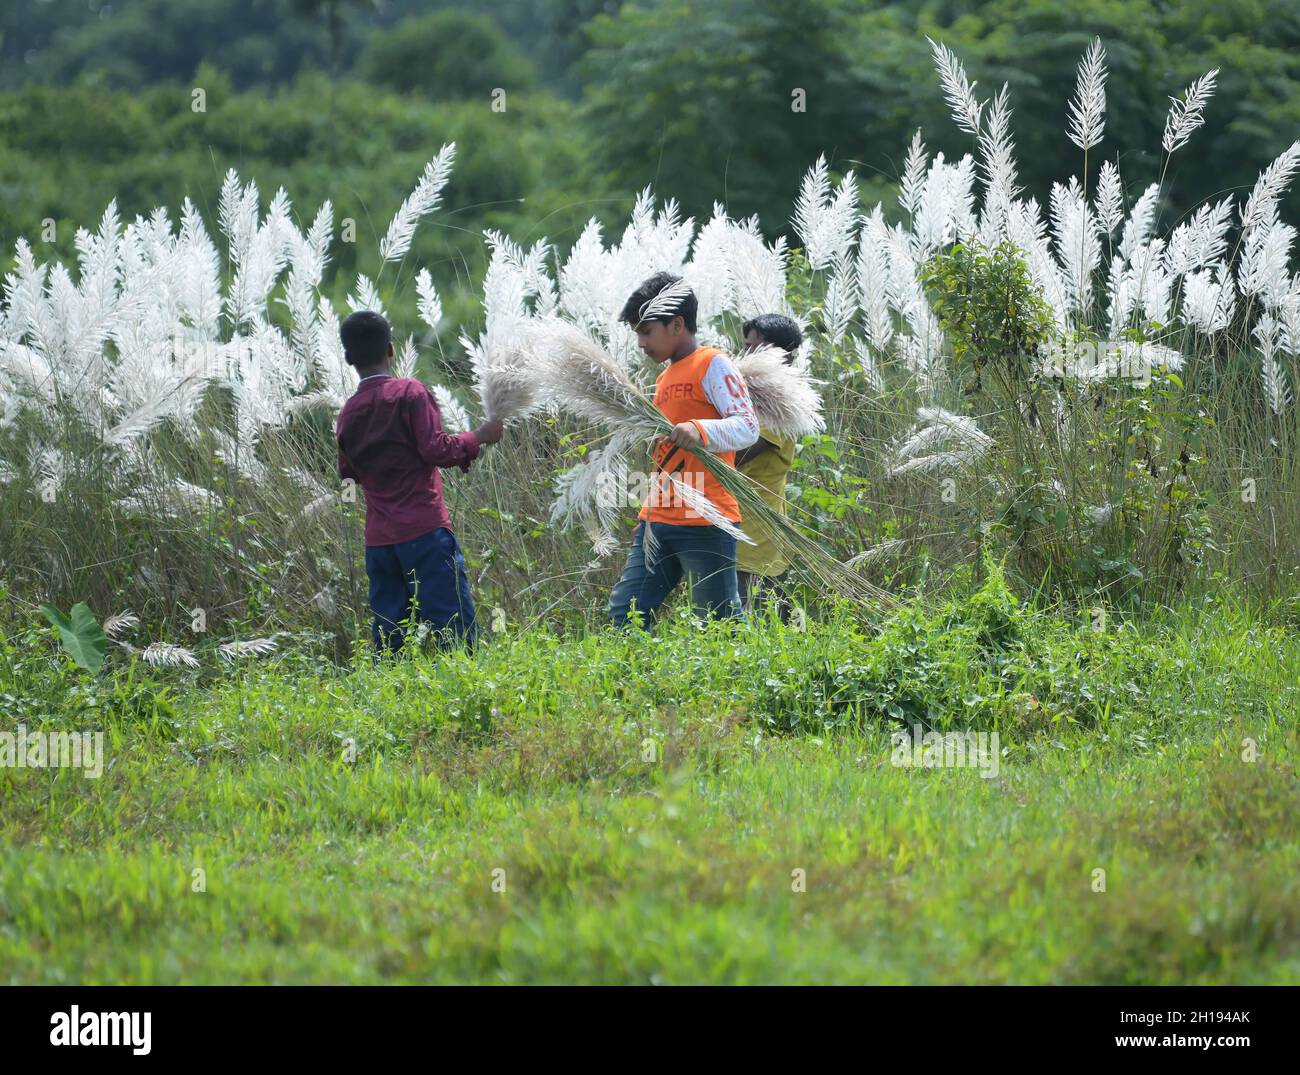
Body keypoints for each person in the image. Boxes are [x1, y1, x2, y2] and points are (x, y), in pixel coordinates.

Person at [334, 310, 503, 651]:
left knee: (391, 635)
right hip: (424, 532)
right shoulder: (409, 392)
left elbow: (348, 472)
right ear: (391, 350)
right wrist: (479, 436)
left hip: (379, 543)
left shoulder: (347, 412)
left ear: (349, 358)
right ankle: (467, 694)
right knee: (453, 626)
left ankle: (390, 696)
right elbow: (436, 449)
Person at [607, 272, 759, 629]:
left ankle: (747, 683)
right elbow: (666, 458)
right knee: (625, 613)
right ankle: (634, 684)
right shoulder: (663, 379)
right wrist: (647, 513)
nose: (641, 344)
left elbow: (748, 427)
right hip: (660, 519)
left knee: (721, 623)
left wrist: (699, 430)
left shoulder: (713, 364)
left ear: (676, 324)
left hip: (707, 519)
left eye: (646, 332)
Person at [734, 314, 803, 620]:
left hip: (756, 532)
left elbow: (734, 456)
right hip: (739, 525)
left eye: (756, 350)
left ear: (781, 355)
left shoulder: (779, 404)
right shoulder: (752, 398)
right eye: (746, 348)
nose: (746, 357)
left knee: (753, 620)